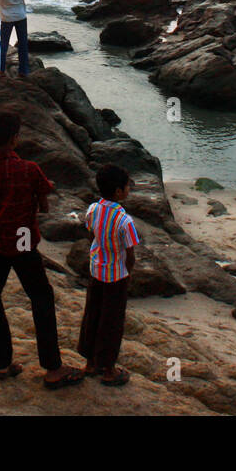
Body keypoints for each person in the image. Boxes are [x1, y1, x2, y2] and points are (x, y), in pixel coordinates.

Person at [0, 110, 83, 389]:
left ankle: (1, 363)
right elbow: (44, 195)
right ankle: (52, 367)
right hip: (22, 238)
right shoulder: (30, 169)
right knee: (41, 297)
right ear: (15, 139)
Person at [78, 164, 140, 387]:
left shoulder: (93, 209)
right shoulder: (125, 221)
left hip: (96, 270)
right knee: (112, 321)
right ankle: (109, 369)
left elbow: (91, 233)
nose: (128, 189)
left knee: (92, 314)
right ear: (118, 192)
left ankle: (90, 362)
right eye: (127, 186)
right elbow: (130, 253)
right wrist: (129, 273)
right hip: (116, 275)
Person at [0, 0, 30, 77]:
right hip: (20, 15)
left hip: (6, 17)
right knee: (23, 44)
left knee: (3, 44)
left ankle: (0, 69)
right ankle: (24, 71)